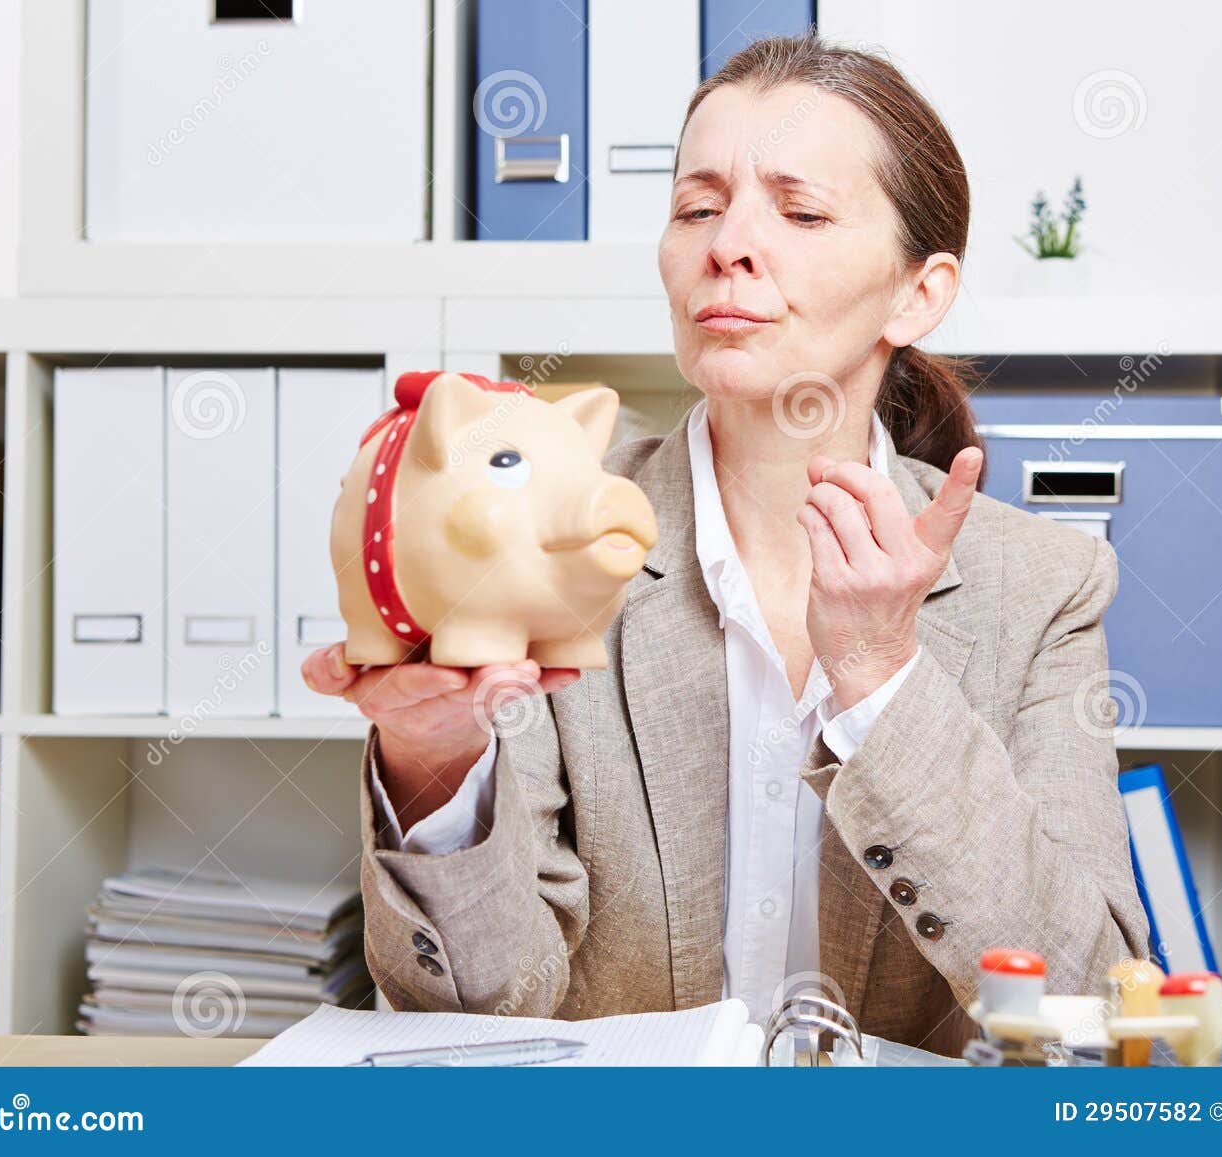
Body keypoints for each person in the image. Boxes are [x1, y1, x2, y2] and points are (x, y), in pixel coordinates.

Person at [303, 31, 1149, 1056]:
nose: (727, 245)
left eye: (798, 212)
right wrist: (434, 764)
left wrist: (882, 680)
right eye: (697, 208)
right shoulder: (545, 535)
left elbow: (1091, 1012)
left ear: (916, 294)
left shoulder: (1043, 587)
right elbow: (483, 1016)